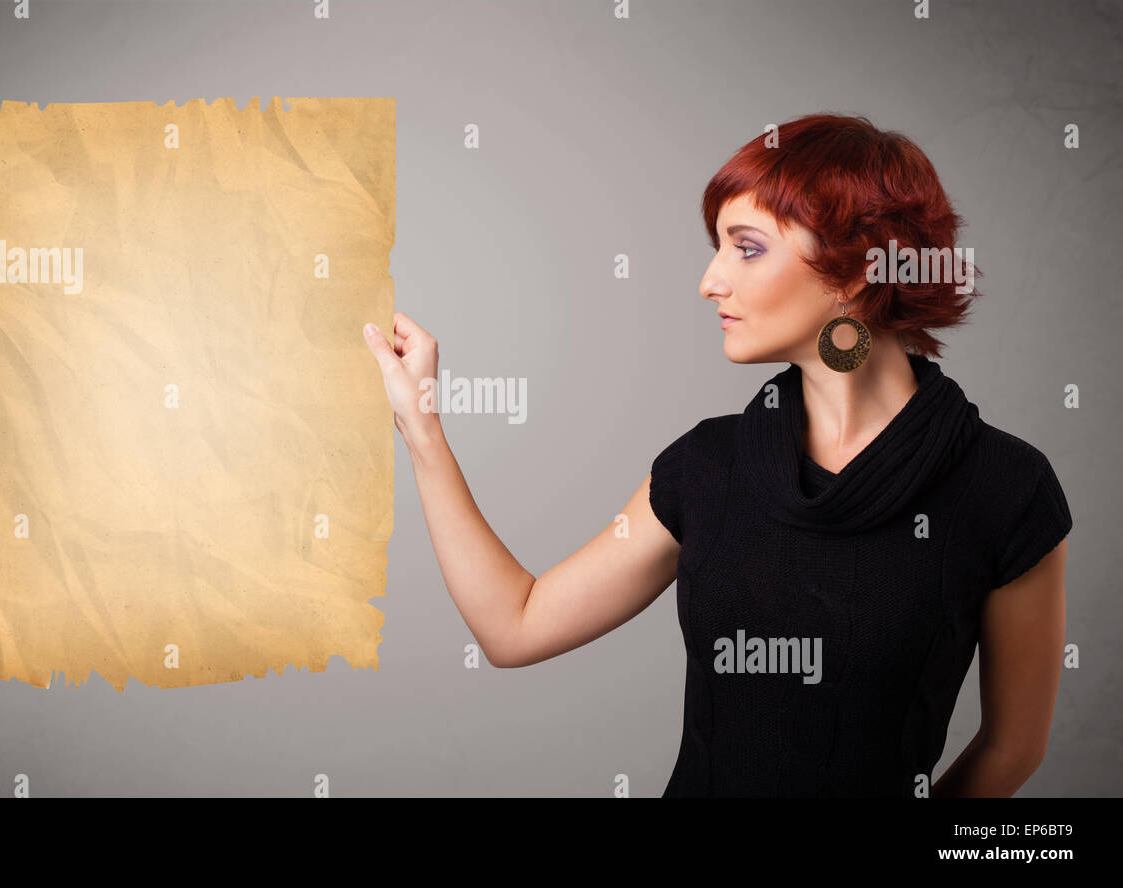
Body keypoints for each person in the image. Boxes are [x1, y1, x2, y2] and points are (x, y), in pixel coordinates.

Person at [361, 113, 1072, 798]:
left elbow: (1013, 749)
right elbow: (514, 627)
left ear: (856, 270)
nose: (710, 281)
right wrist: (422, 426)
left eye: (747, 247)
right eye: (719, 245)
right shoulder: (708, 466)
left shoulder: (1006, 489)